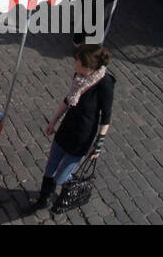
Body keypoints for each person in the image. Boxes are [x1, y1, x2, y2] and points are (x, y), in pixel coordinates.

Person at [32, 43, 115, 212]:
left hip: (82, 136)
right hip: (66, 128)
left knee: (62, 176)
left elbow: (106, 117)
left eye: (76, 60)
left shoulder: (105, 84)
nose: (73, 62)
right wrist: (54, 120)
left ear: (86, 64)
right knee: (50, 167)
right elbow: (69, 98)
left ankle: (68, 189)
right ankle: (44, 198)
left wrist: (98, 144)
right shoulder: (78, 76)